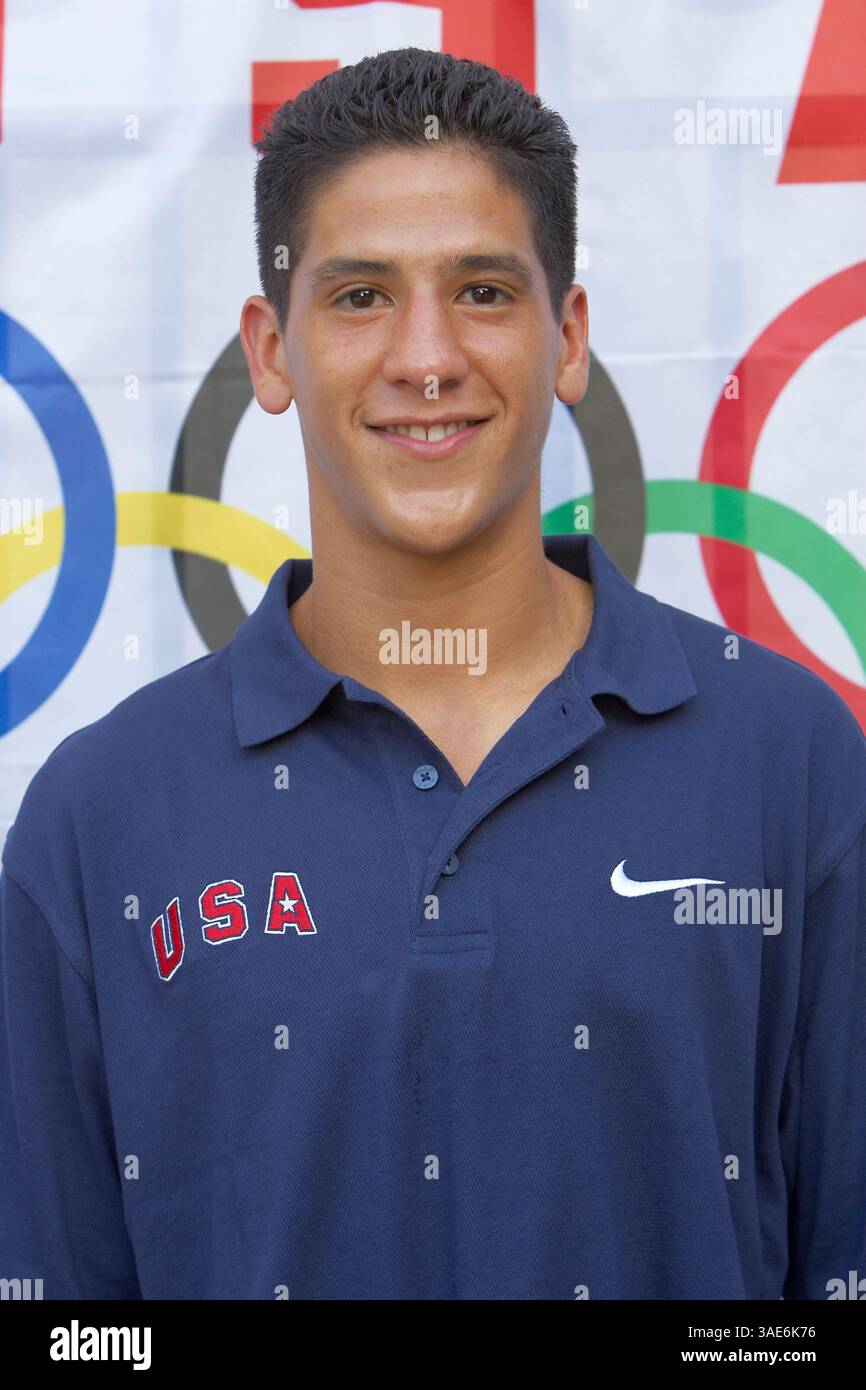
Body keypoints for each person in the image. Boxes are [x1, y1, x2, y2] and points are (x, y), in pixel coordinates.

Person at [1, 47, 864, 1302]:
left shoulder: (791, 760)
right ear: (271, 350)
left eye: (480, 290)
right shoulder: (98, 815)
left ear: (566, 338)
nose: (425, 357)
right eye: (357, 296)